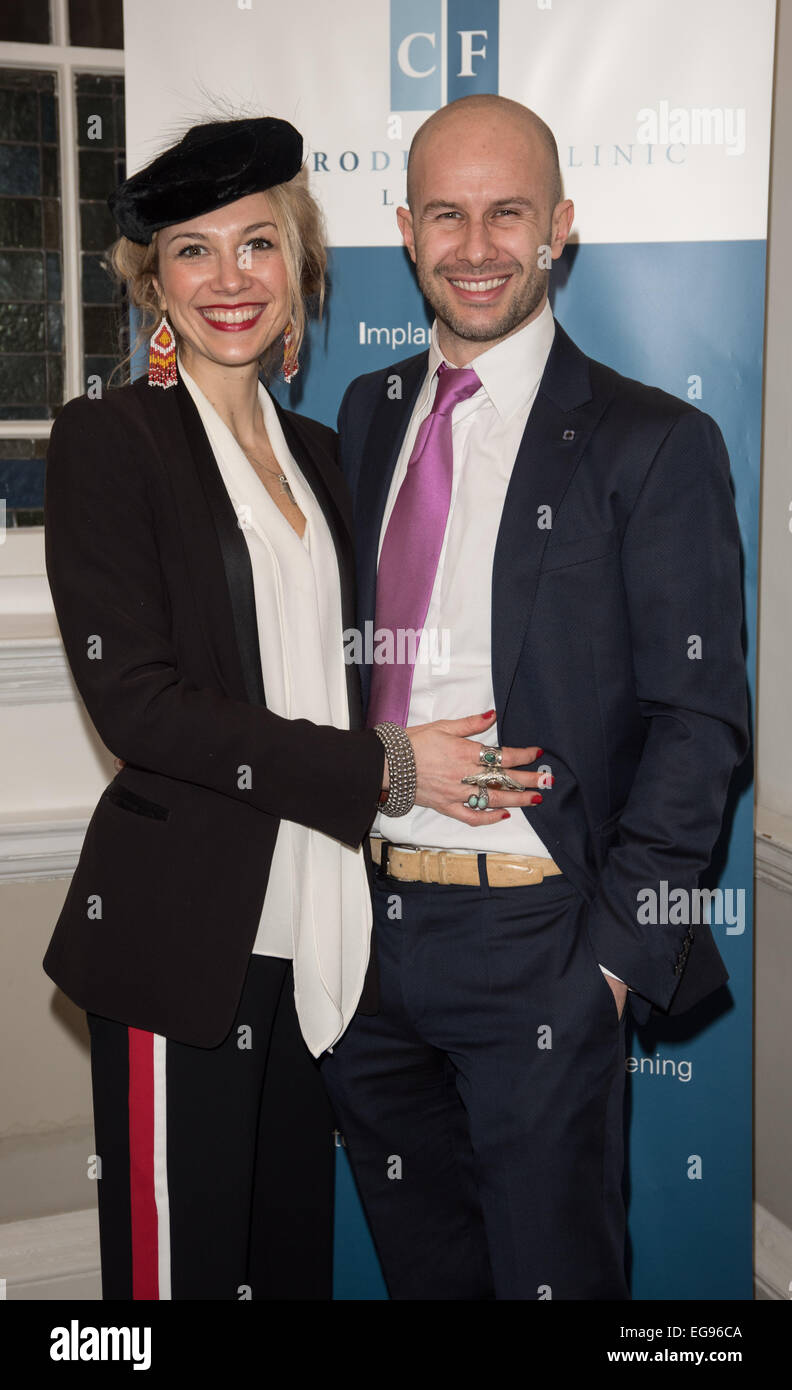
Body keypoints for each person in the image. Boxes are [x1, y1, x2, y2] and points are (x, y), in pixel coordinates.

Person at [42, 116, 543, 1301]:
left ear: (300, 264)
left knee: (284, 1271)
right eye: (194, 252)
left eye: (258, 244)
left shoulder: (321, 451)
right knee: (179, 1286)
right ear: (153, 281)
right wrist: (384, 770)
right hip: (188, 940)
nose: (231, 280)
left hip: (323, 937)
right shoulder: (109, 441)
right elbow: (142, 703)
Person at [321, 94, 749, 1301]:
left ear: (560, 224)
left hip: (542, 947)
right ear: (405, 230)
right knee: (427, 1277)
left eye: (507, 211)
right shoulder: (365, 416)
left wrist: (612, 960)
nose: (474, 245)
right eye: (446, 215)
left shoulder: (653, 442)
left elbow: (700, 722)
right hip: (368, 946)